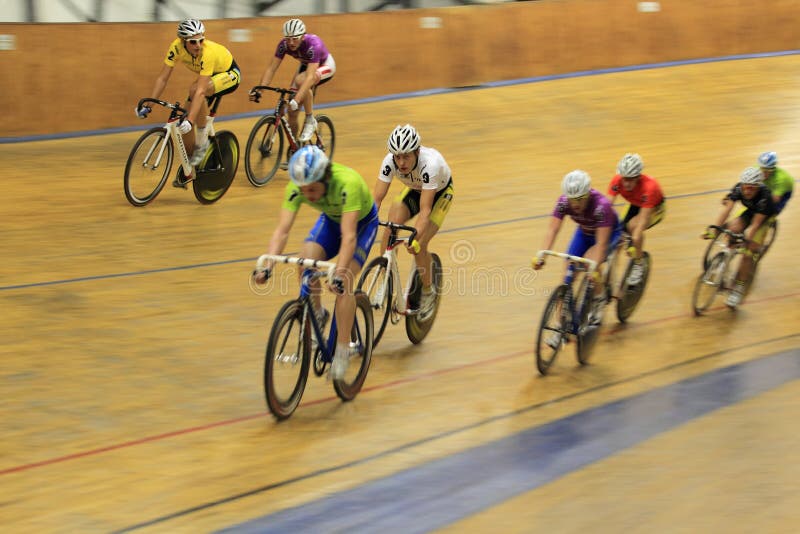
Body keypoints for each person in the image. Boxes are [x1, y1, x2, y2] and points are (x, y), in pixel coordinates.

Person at [253, 145, 378, 380]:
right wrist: (267, 266)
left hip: (361, 225)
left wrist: (339, 274)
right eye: (303, 190)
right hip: (331, 220)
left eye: (312, 189)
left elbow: (349, 237)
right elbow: (282, 231)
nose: (307, 194)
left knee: (345, 283)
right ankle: (318, 313)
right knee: (305, 261)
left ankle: (342, 351)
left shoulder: (347, 183)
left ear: (324, 177)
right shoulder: (298, 185)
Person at [137, 19, 241, 187]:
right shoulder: (176, 47)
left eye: (201, 40)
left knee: (193, 94)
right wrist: (150, 104)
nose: (198, 45)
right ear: (182, 41)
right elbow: (163, 78)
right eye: (193, 42)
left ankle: (202, 143)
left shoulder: (207, 52)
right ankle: (192, 168)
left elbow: (200, 91)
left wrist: (191, 120)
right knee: (181, 122)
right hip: (208, 78)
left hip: (229, 74)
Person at [372, 124, 454, 321]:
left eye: (406, 156)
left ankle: (428, 291)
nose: (401, 162)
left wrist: (415, 236)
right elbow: (376, 199)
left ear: (417, 151)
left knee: (419, 245)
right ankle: (386, 281)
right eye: (397, 157)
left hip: (439, 196)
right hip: (415, 191)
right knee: (390, 229)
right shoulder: (389, 161)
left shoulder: (430, 164)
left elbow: (425, 210)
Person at [534, 170, 621, 331]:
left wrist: (594, 267)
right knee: (567, 274)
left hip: (607, 234)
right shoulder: (563, 202)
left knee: (590, 264)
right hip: (584, 232)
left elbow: (601, 244)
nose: (575, 204)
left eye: (580, 199)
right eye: (572, 200)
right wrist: (542, 254)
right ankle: (560, 326)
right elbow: (552, 230)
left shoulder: (601, 206)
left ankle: (599, 299)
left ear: (588, 194)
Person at [249, 18, 335, 143]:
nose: (291, 42)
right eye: (288, 38)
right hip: (306, 65)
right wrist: (261, 90)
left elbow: (310, 77)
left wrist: (297, 98)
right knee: (292, 112)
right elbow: (271, 69)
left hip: (325, 65)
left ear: (303, 36)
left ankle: (310, 119)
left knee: (301, 80)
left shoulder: (313, 44)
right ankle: (295, 147)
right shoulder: (283, 45)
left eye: (295, 38)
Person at [702, 167, 776, 308]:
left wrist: (748, 241)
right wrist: (714, 228)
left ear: (758, 186)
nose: (747, 191)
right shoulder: (738, 188)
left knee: (747, 253)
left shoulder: (765, 197)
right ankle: (727, 255)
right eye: (745, 187)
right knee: (732, 229)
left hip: (763, 218)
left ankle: (738, 289)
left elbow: (755, 225)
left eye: (751, 188)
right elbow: (727, 210)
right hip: (750, 212)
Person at [606, 153, 666, 285]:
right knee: (617, 237)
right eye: (624, 179)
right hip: (634, 204)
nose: (626, 183)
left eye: (630, 179)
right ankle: (611, 276)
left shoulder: (650, 187)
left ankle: (638, 263)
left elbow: (642, 221)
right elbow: (607, 207)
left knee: (633, 228)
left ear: (638, 177)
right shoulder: (617, 181)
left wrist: (634, 241)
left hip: (654, 208)